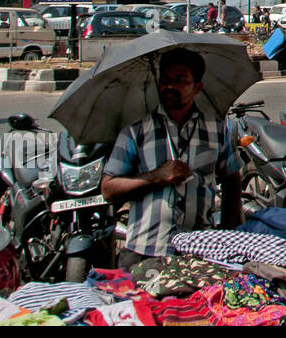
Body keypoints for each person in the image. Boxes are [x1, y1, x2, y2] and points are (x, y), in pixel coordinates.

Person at [101, 48, 243, 268]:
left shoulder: (216, 130)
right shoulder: (135, 132)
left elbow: (232, 178)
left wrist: (227, 233)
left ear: (197, 87)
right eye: (165, 79)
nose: (170, 86)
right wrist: (155, 177)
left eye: (180, 80)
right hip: (146, 251)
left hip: (201, 251)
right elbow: (108, 189)